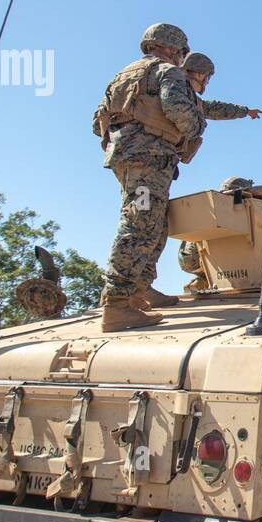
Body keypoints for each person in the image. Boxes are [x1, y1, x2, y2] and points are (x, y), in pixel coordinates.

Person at [92, 22, 204, 332]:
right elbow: (179, 110)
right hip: (149, 158)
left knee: (154, 222)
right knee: (139, 222)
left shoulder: (122, 76)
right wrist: (193, 128)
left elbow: (96, 121)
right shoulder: (168, 73)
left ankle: (139, 289)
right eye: (181, 52)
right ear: (171, 48)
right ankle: (115, 304)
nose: (182, 58)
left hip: (126, 157)